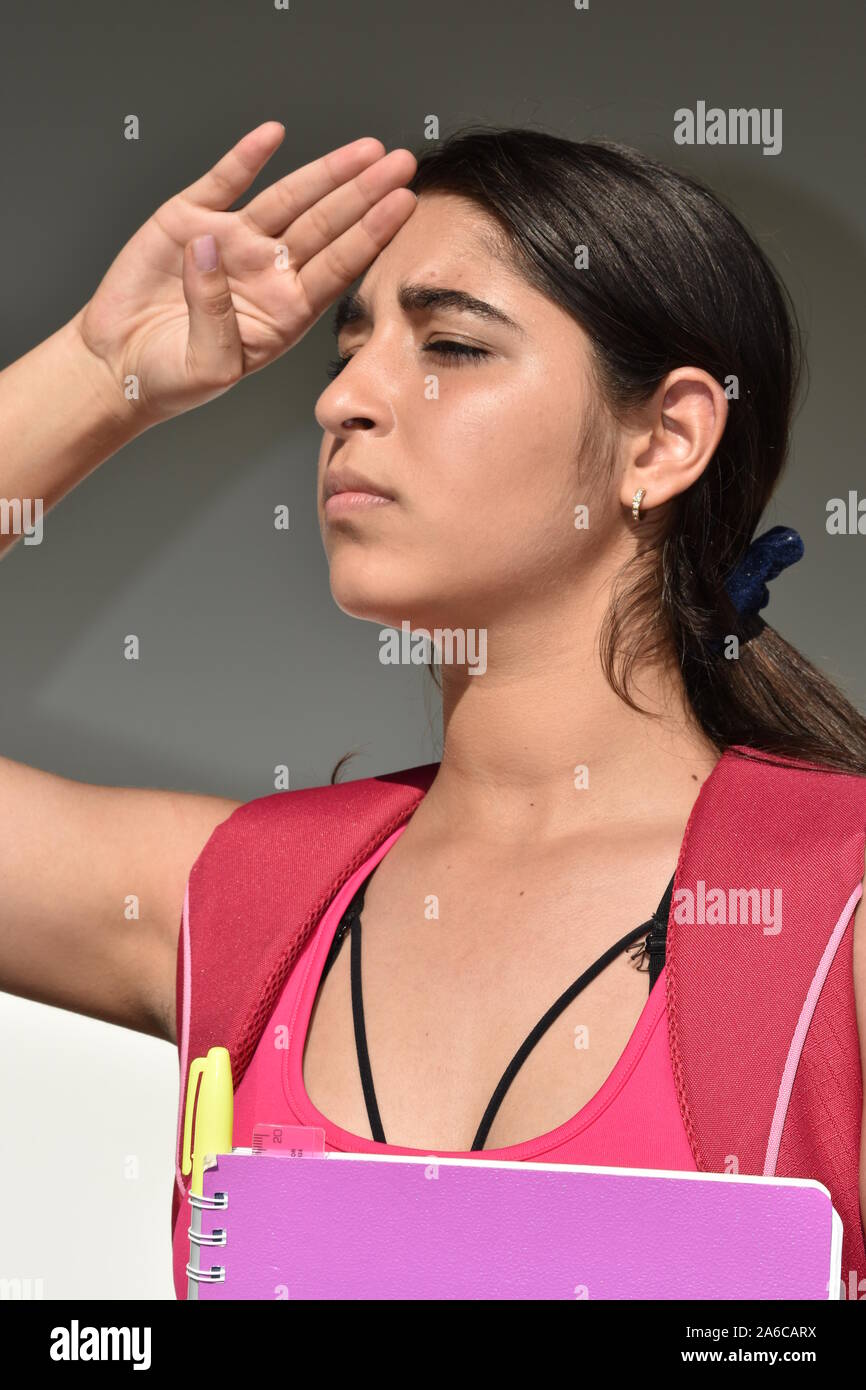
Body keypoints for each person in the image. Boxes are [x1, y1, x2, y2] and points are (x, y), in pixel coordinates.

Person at [2, 121, 865, 1291]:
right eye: (344, 352)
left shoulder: (831, 917)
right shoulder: (243, 905)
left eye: (451, 344)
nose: (343, 399)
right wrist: (102, 379)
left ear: (662, 439)